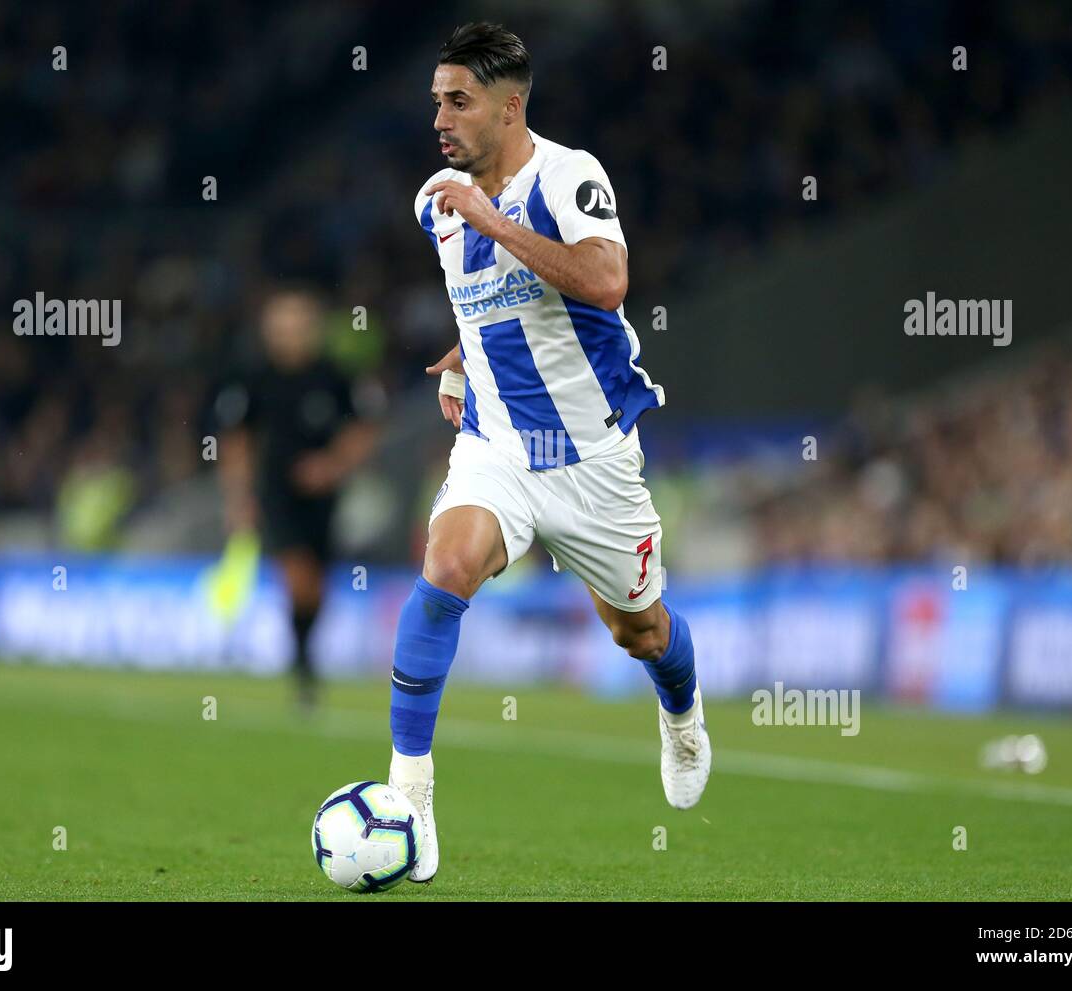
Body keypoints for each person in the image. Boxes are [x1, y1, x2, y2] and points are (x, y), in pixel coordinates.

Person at [388, 22, 709, 883]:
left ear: (509, 105)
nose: (441, 120)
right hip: (498, 447)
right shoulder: (435, 201)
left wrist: (494, 221)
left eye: (458, 101)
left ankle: (681, 712)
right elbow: (484, 300)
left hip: (594, 457)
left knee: (637, 630)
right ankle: (409, 793)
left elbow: (604, 283)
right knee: (446, 563)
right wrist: (465, 355)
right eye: (436, 102)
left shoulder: (569, 177)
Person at [216, 288, 380, 708]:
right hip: (275, 491)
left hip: (324, 497)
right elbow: (236, 441)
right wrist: (239, 497)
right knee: (298, 575)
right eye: (281, 326)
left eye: (297, 325)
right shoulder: (253, 377)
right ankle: (303, 666)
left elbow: (363, 430)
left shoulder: (334, 376)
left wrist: (332, 466)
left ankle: (304, 660)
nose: (289, 334)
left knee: (317, 586)